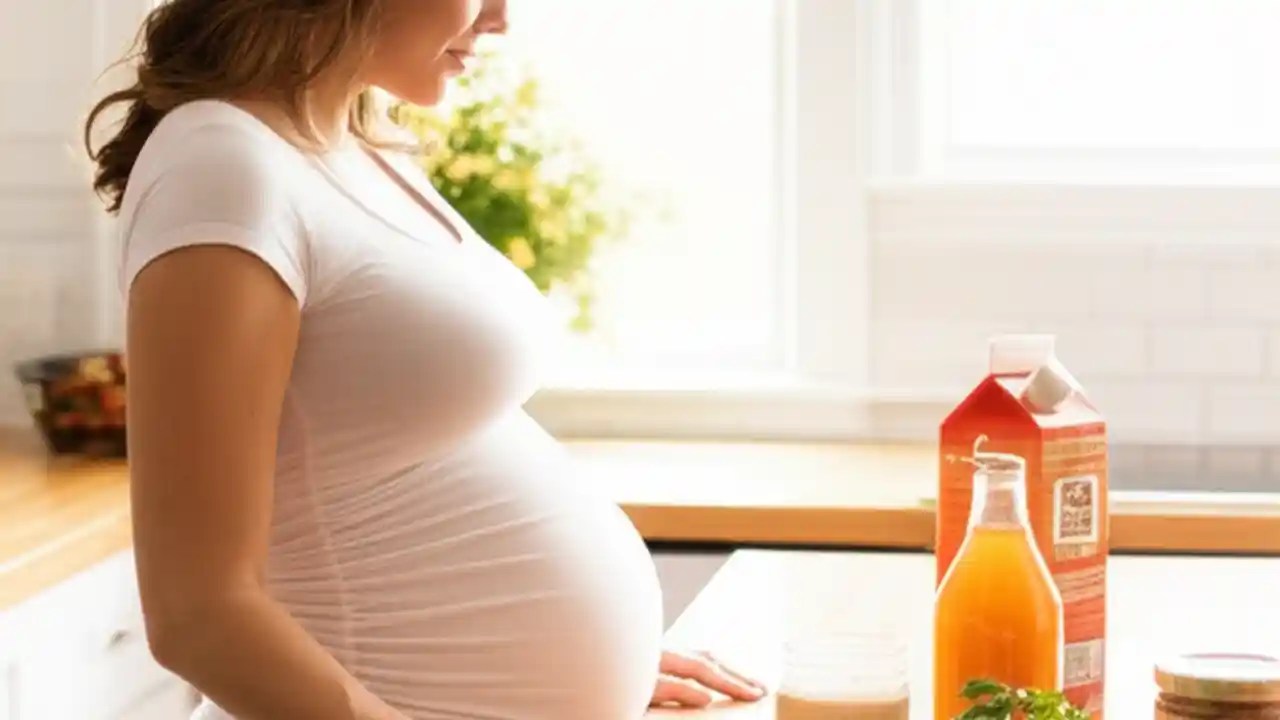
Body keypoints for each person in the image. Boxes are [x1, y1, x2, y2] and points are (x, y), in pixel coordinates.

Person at [83, 1, 766, 718]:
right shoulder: (218, 166)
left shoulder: (350, 142)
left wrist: (582, 664)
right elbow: (200, 615)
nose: (500, 17)